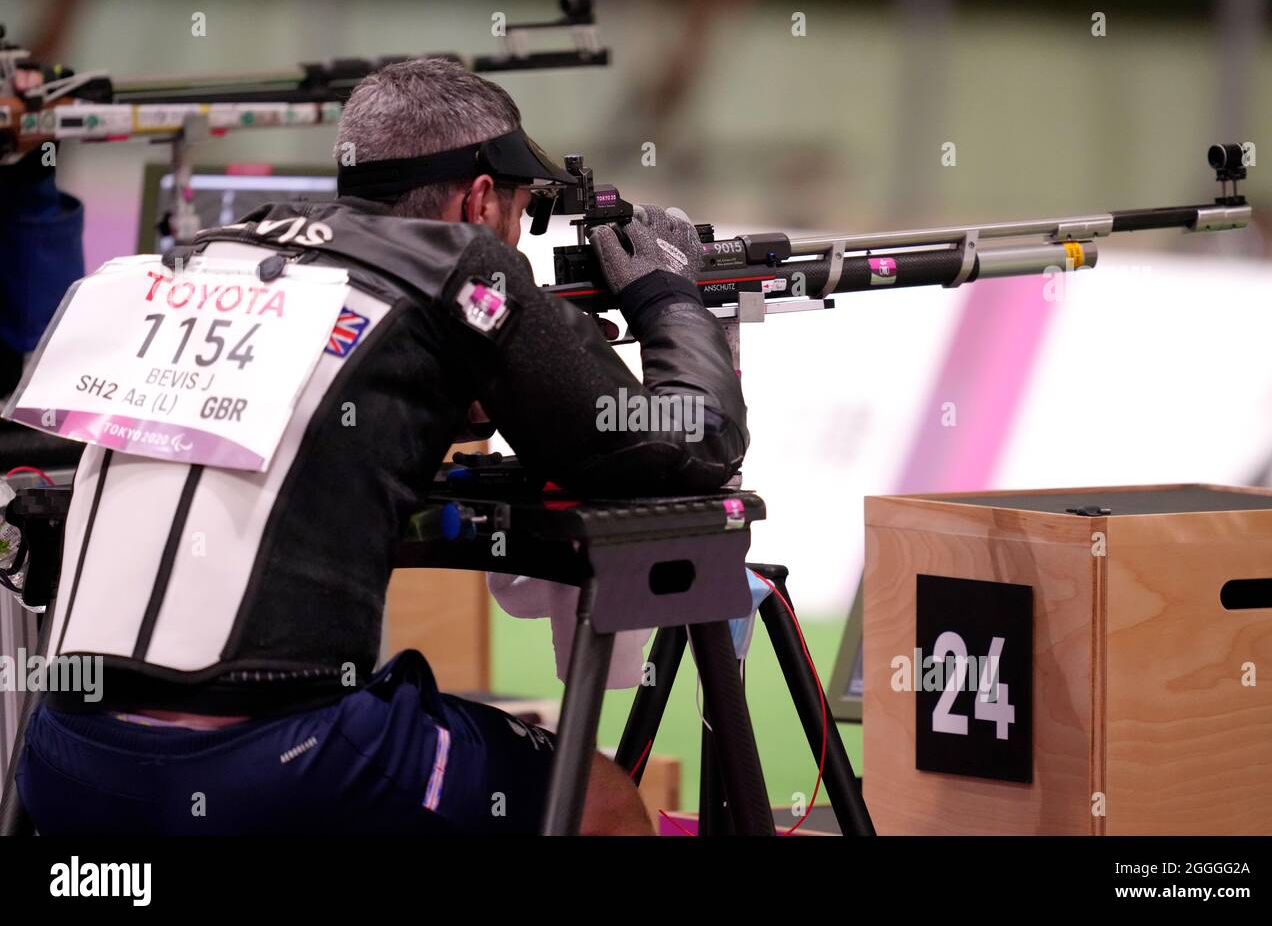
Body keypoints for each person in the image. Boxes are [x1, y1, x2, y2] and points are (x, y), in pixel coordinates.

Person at [12, 58, 747, 836]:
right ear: (479, 198)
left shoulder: (213, 255)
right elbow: (686, 445)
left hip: (63, 757)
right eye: (520, 217)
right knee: (599, 800)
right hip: (271, 764)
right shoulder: (464, 267)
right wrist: (670, 297)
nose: (515, 249)